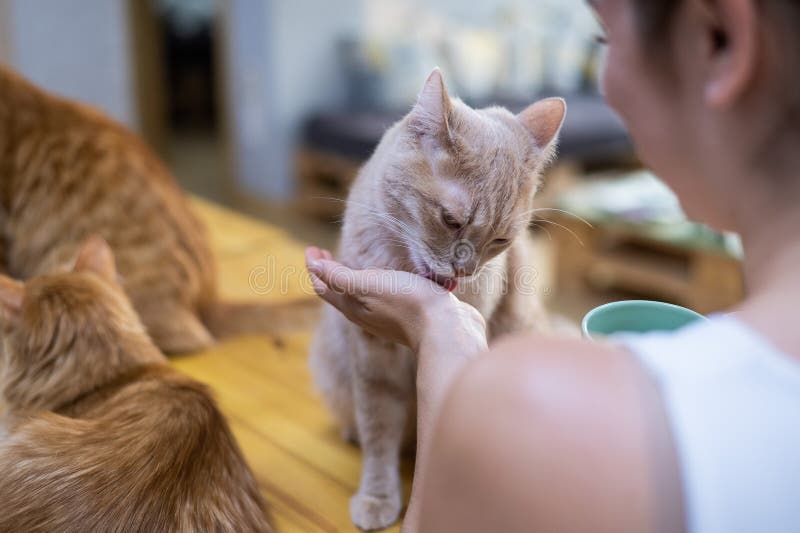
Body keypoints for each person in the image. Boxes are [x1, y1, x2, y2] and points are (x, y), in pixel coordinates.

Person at [305, 0, 800, 531]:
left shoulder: (550, 415)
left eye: (606, 38)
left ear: (719, 39)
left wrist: (443, 343)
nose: (604, 82)